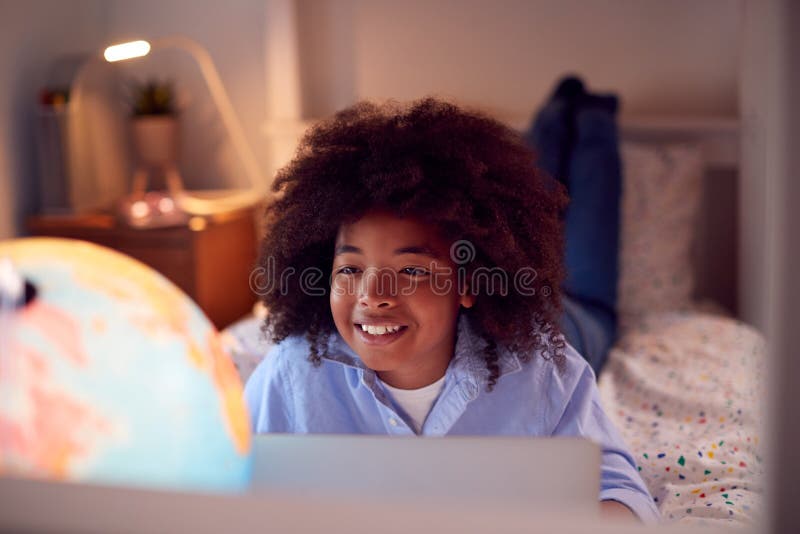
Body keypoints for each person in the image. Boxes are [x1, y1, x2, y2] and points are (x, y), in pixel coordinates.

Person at [244, 98, 659, 523]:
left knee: (590, 283)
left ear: (468, 280)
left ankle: (588, 119)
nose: (372, 295)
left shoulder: (546, 368)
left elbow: (624, 495)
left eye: (410, 270)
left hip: (562, 321)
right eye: (350, 268)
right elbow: (232, 493)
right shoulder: (289, 375)